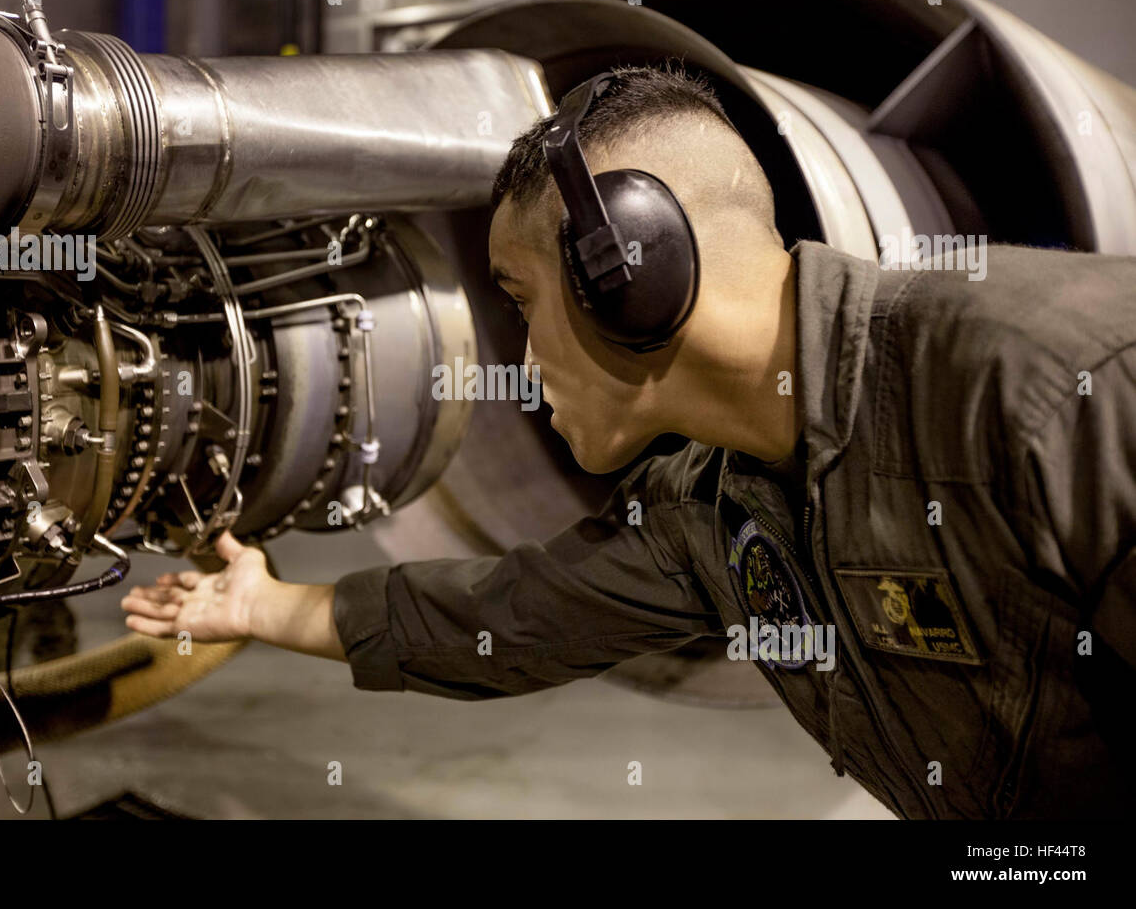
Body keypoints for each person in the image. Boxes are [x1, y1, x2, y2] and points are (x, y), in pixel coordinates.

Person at [122, 66, 1136, 819]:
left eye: (521, 299)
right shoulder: (711, 504)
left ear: (630, 276)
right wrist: (259, 602)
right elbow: (510, 616)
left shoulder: (1054, 383)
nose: (517, 354)